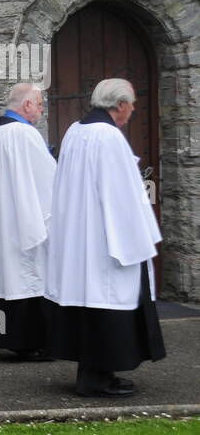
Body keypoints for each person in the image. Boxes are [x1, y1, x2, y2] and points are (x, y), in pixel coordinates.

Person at [44, 78, 165, 397]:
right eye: (132, 104)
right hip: (105, 239)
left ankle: (97, 373)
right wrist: (138, 236)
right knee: (106, 301)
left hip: (81, 236)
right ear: (120, 105)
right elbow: (122, 194)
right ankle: (96, 378)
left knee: (89, 304)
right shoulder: (109, 137)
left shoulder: (74, 130)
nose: (133, 111)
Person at [0, 82, 57, 360]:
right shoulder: (26, 135)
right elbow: (49, 180)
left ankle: (10, 338)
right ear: (26, 105)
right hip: (26, 223)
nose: (40, 110)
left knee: (9, 277)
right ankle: (34, 343)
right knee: (30, 275)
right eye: (39, 105)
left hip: (4, 223)